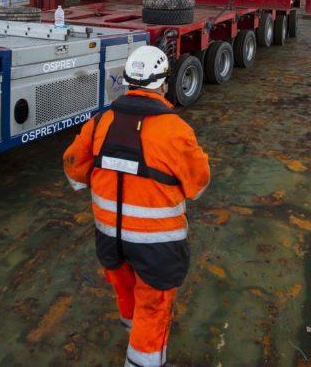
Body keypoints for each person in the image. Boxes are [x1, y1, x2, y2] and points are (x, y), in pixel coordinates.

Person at [63, 45, 210, 367]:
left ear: (128, 82)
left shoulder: (100, 122)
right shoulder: (175, 131)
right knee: (153, 308)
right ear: (163, 85)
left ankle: (133, 331)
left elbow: (74, 167)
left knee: (125, 289)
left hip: (108, 238)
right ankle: (143, 358)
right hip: (157, 245)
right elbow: (197, 185)